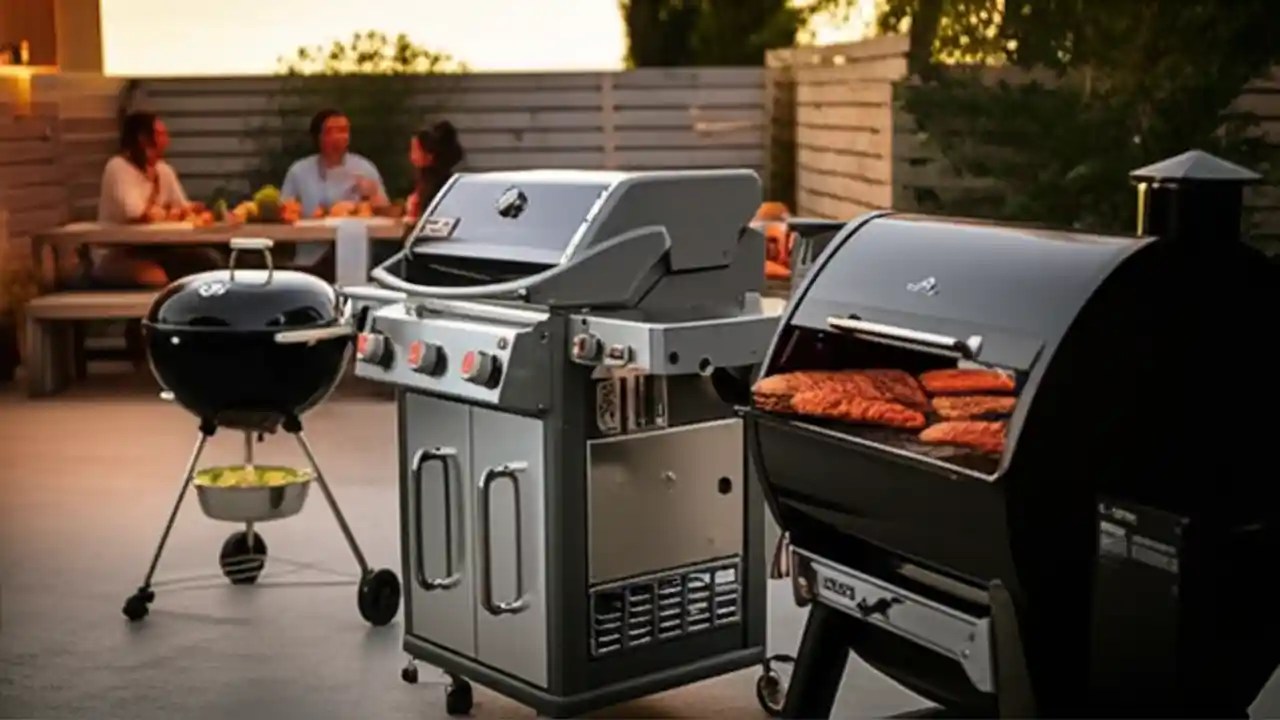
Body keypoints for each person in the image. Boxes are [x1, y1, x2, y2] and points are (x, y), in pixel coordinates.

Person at [92, 111, 219, 287]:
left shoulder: (164, 171)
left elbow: (183, 207)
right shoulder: (118, 168)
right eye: (160, 134)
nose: (166, 140)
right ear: (143, 138)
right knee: (155, 277)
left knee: (207, 261)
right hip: (119, 252)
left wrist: (198, 210)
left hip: (159, 248)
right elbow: (136, 213)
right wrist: (170, 213)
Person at [281, 108, 389, 216]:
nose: (338, 137)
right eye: (330, 131)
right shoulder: (298, 171)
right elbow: (282, 211)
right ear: (318, 137)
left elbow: (387, 215)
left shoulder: (365, 168)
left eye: (343, 131)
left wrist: (373, 195)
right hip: (310, 231)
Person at [406, 120, 465, 219]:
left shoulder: (440, 187)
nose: (411, 156)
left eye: (415, 150)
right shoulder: (423, 181)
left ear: (430, 155)